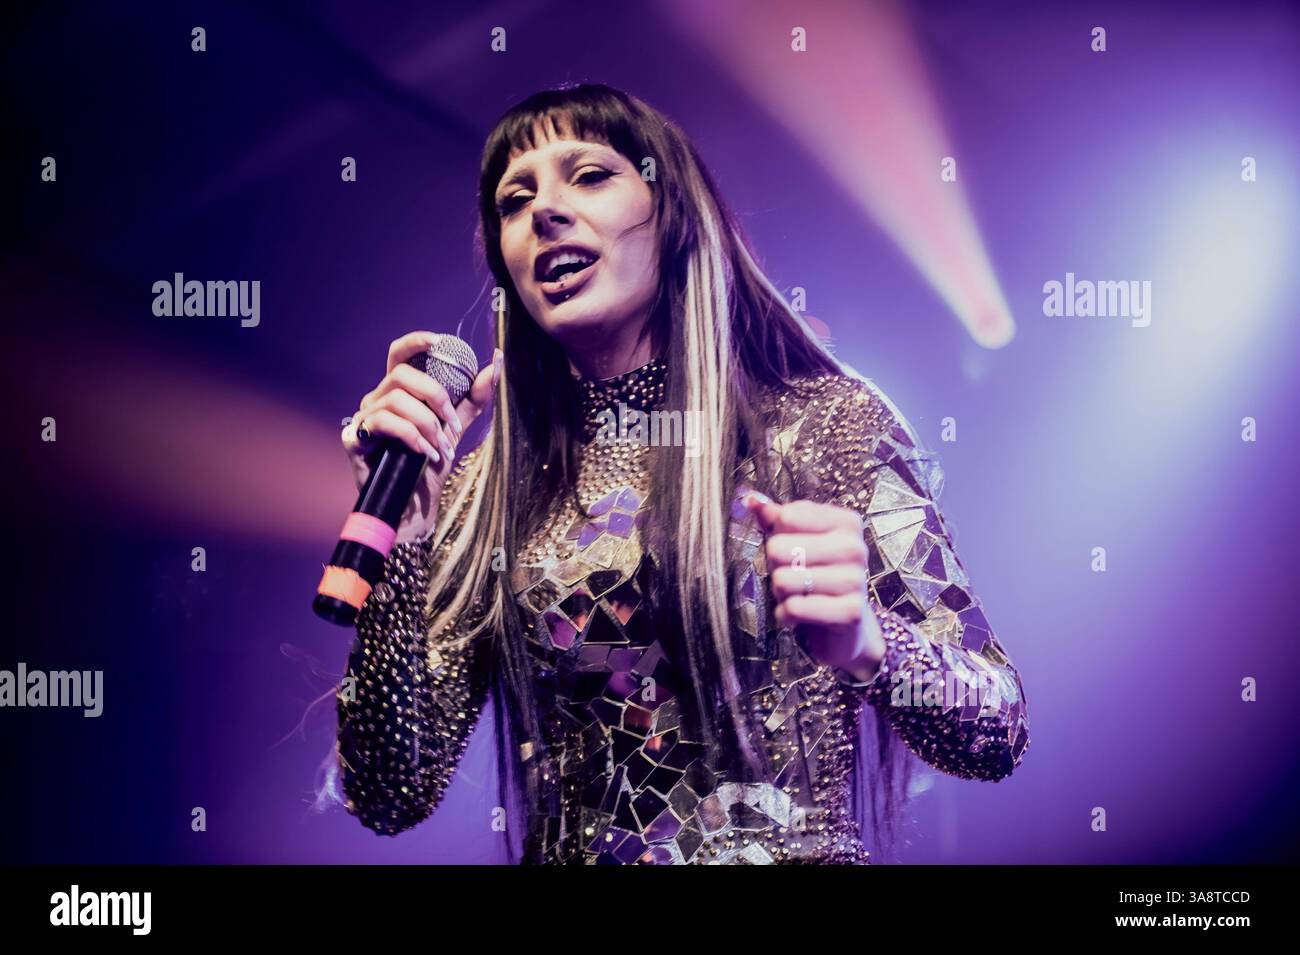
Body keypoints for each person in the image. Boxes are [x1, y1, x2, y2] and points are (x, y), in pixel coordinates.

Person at [328, 83, 1029, 865]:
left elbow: (995, 729)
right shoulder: (483, 496)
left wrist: (872, 643)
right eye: (514, 201)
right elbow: (389, 792)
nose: (544, 212)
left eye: (589, 175)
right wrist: (404, 541)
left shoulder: (825, 423)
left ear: (673, 216)